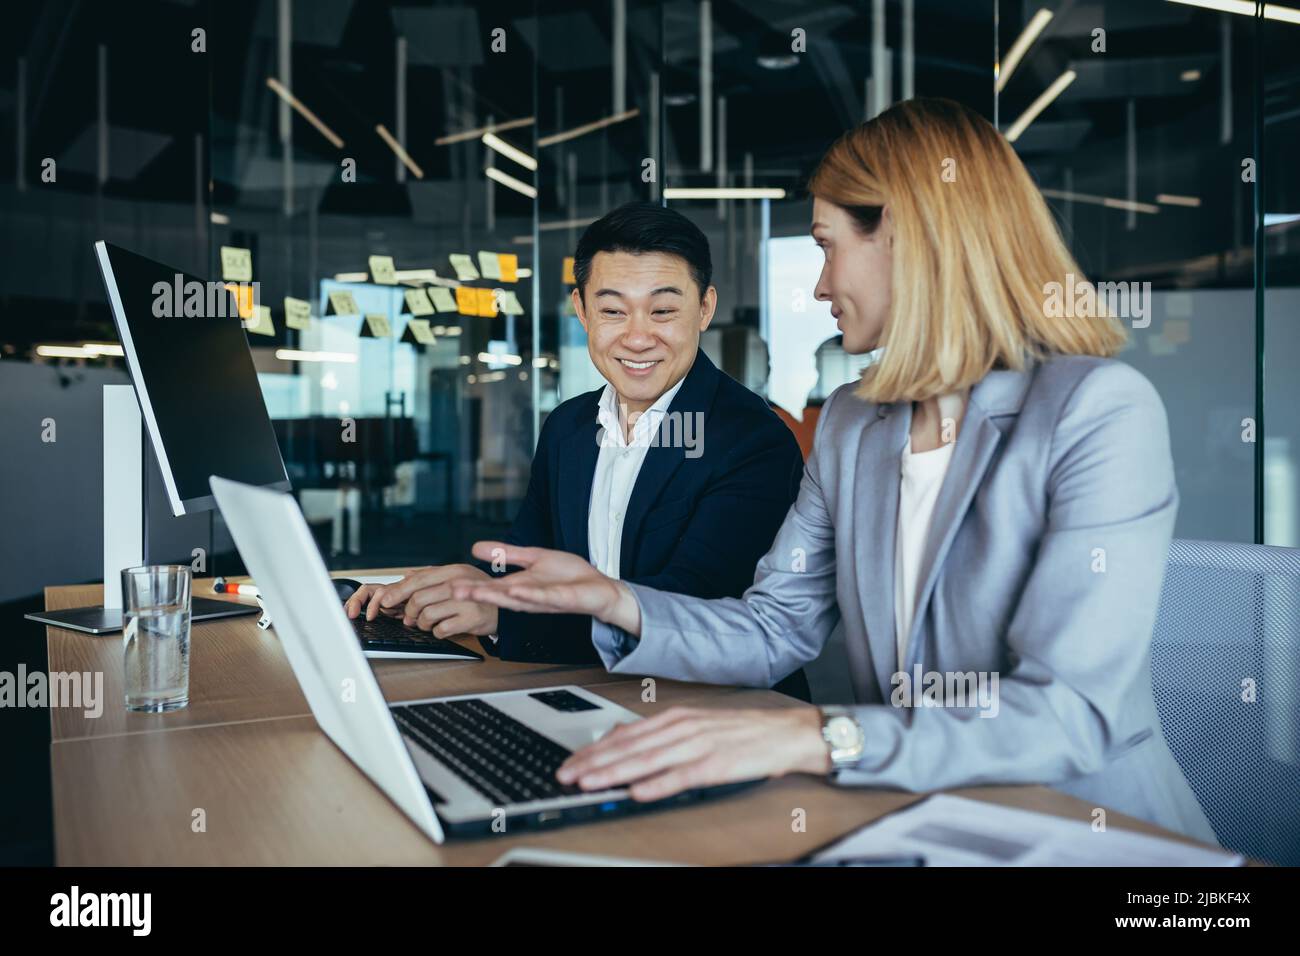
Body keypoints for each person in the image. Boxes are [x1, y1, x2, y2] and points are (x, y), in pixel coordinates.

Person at [455, 98, 1218, 844]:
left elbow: (1070, 712)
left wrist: (823, 738)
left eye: (826, 245)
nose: (820, 285)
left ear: (906, 236)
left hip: (1085, 830)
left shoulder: (1096, 411)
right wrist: (615, 600)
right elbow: (773, 627)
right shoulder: (856, 423)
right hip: (909, 810)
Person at [346, 202, 809, 699]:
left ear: (705, 308)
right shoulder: (570, 424)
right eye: (612, 310)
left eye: (663, 310)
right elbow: (533, 555)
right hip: (592, 689)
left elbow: (687, 608)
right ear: (582, 311)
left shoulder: (751, 439)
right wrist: (473, 582)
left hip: (719, 711)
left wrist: (502, 617)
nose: (636, 336)